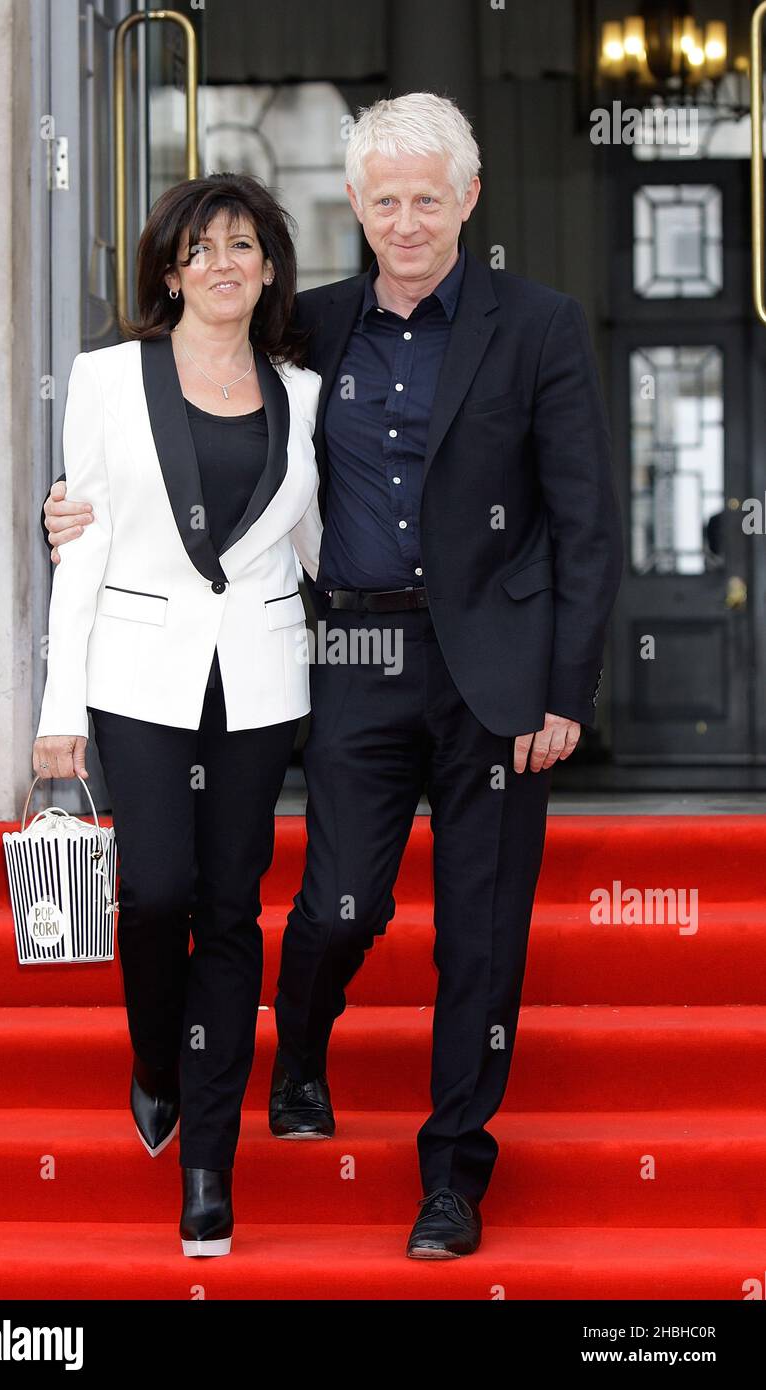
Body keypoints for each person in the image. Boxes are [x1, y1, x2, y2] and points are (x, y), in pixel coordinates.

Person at [43, 92, 623, 1260]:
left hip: (498, 677)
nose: (406, 220)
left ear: (469, 200)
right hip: (353, 659)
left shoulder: (542, 325)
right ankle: (297, 1046)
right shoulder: (306, 331)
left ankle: (453, 1175)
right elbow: (198, 451)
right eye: (385, 199)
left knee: (483, 933)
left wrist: (566, 690)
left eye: (428, 197)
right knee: (340, 903)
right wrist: (62, 514)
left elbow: (586, 521)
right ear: (355, 206)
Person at [33, 173, 322, 1258]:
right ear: (170, 272)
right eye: (201, 249)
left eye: (243, 245)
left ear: (268, 268)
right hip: (137, 675)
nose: (223, 264)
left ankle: (208, 1165)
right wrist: (58, 713)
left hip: (257, 682)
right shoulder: (109, 378)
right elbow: (84, 543)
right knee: (157, 893)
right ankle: (157, 1054)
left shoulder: (302, 390)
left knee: (234, 908)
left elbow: (314, 541)